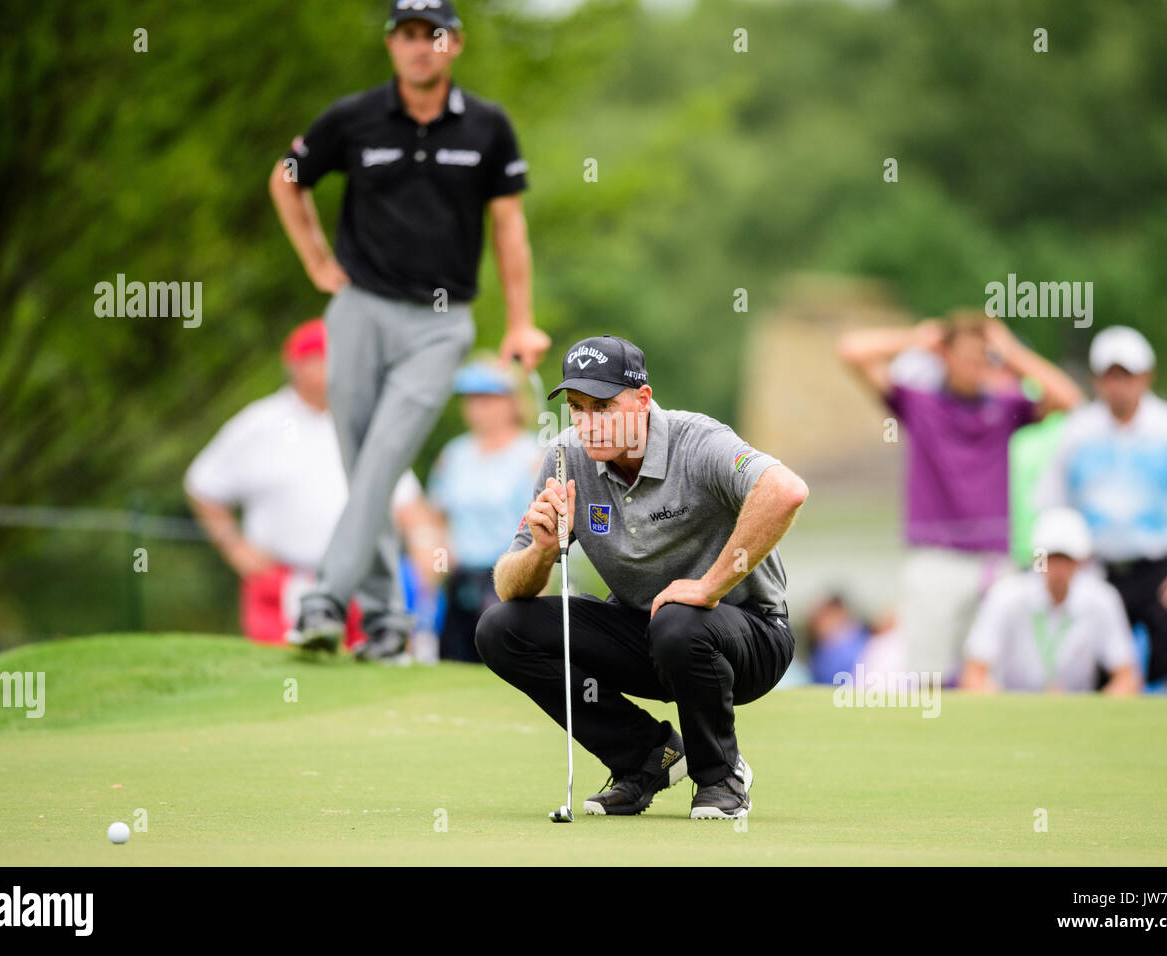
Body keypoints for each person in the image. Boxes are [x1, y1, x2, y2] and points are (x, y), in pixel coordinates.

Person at [269, 0, 550, 660]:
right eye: (407, 35)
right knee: (362, 463)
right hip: (360, 308)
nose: (421, 46)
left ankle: (325, 601)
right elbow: (288, 179)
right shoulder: (353, 117)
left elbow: (509, 226)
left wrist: (520, 321)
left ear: (455, 44)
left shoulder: (488, 126)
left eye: (435, 35)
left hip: (440, 323)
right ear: (392, 44)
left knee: (384, 454)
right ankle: (390, 619)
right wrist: (315, 260)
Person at [475, 335, 807, 819]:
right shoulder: (565, 457)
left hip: (749, 634)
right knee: (500, 627)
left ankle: (721, 777)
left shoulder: (699, 442)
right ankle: (648, 756)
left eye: (603, 407)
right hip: (646, 633)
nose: (587, 423)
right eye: (577, 408)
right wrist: (544, 551)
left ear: (643, 400)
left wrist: (708, 586)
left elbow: (786, 490)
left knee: (678, 619)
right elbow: (509, 584)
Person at [837, 312, 1083, 680]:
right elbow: (851, 351)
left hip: (993, 562)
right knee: (925, 678)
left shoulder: (1006, 407)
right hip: (935, 558)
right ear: (945, 356)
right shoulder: (919, 404)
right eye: (966, 355)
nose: (975, 365)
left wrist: (1010, 350)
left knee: (989, 677)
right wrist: (917, 339)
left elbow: (1068, 398)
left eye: (983, 356)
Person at [184, 319, 432, 651]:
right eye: (325, 360)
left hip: (359, 582)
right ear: (297, 366)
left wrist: (426, 547)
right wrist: (235, 547)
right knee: (285, 678)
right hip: (283, 582)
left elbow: (405, 503)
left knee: (361, 679)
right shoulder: (260, 423)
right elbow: (203, 485)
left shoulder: (365, 422)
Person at [1035, 326, 1167, 695]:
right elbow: (1051, 507)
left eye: (1126, 375)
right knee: (1097, 671)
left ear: (1146, 377)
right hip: (1095, 571)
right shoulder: (1077, 431)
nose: (1117, 386)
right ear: (1097, 379)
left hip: (1161, 571)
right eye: (1110, 376)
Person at [426, 359, 542, 662]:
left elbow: (540, 530)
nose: (478, 408)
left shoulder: (531, 455)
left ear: (512, 400)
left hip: (509, 581)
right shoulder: (454, 455)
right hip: (460, 581)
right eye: (471, 399)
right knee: (452, 663)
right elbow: (437, 517)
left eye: (488, 398)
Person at [962, 508, 1139, 695]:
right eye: (1051, 558)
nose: (1058, 568)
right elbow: (974, 675)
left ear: (1080, 561)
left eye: (1066, 559)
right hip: (1013, 712)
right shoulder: (1005, 597)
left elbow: (1127, 678)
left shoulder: (1102, 600)